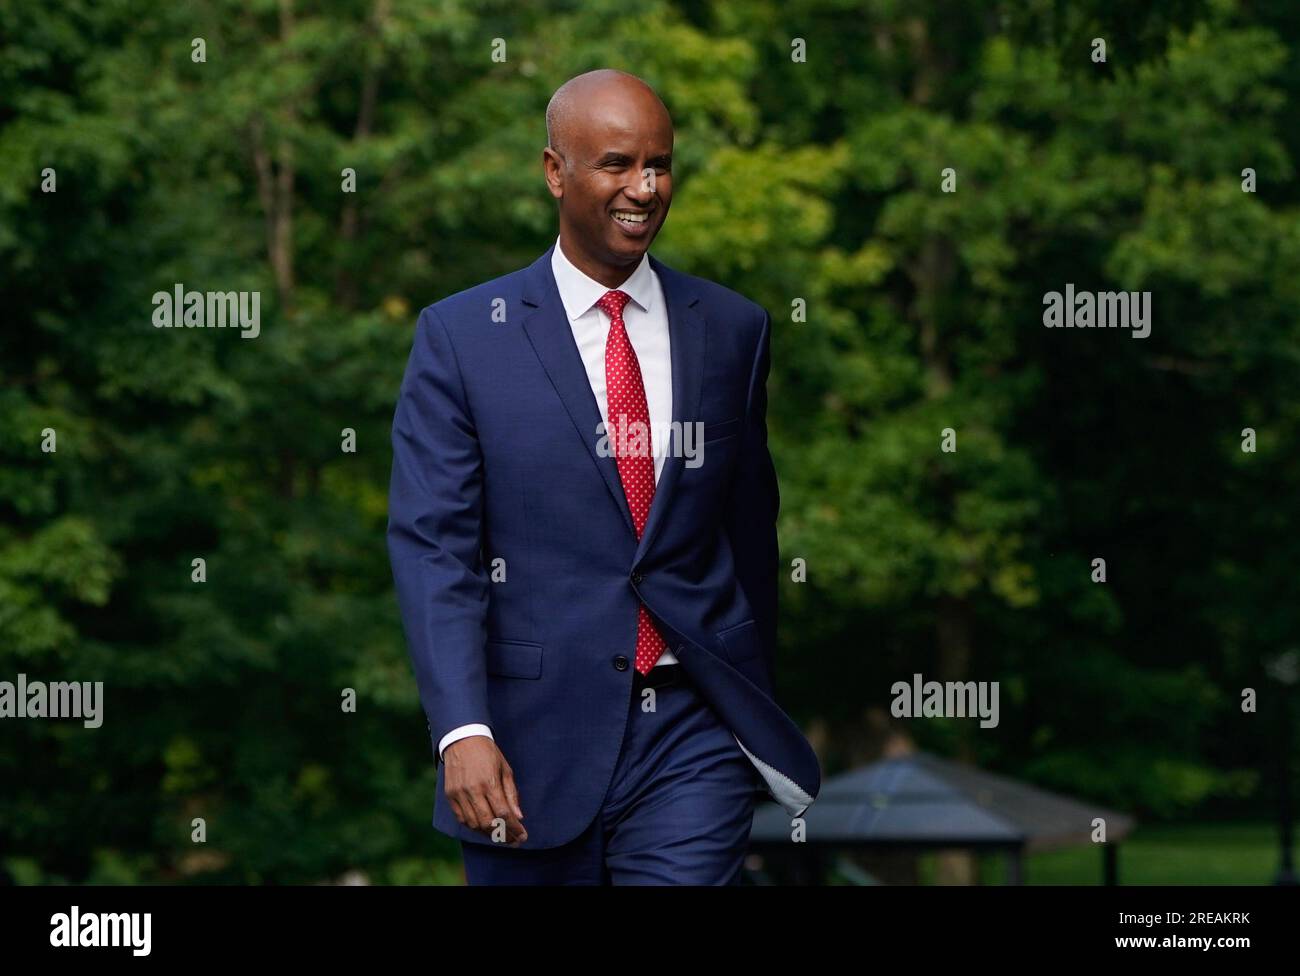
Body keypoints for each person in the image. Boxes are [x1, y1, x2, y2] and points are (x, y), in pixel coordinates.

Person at [387, 68, 820, 885]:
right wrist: (461, 729)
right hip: (523, 747)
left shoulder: (733, 330)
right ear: (556, 171)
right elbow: (434, 550)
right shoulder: (461, 338)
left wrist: (747, 697)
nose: (645, 187)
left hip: (691, 736)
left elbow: (748, 534)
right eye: (618, 164)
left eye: (660, 164)